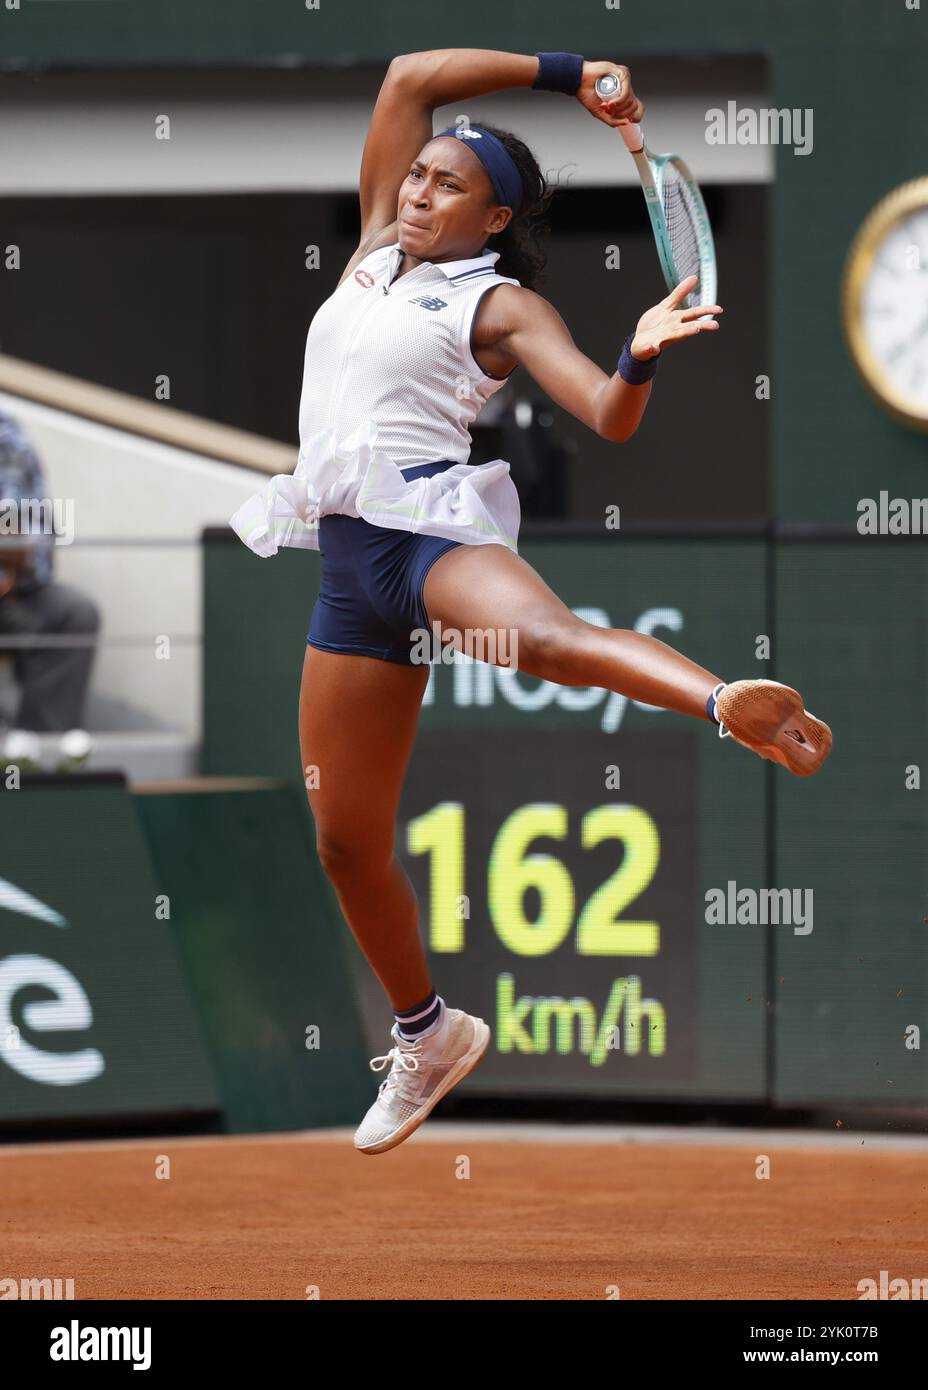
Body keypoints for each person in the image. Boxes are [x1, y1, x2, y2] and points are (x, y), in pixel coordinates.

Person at [230, 49, 832, 1155]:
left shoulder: (501, 305)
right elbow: (414, 74)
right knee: (345, 841)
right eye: (414, 177)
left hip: (429, 538)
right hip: (346, 570)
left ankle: (724, 703)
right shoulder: (374, 244)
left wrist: (639, 354)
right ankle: (429, 1031)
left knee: (546, 639)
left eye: (444, 186)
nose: (415, 191)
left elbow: (606, 415)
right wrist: (566, 73)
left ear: (493, 216)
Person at [0, 410, 99, 749]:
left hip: (14, 591)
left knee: (75, 612)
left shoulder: (11, 437)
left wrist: (19, 560)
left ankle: (37, 744)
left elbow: (42, 534)